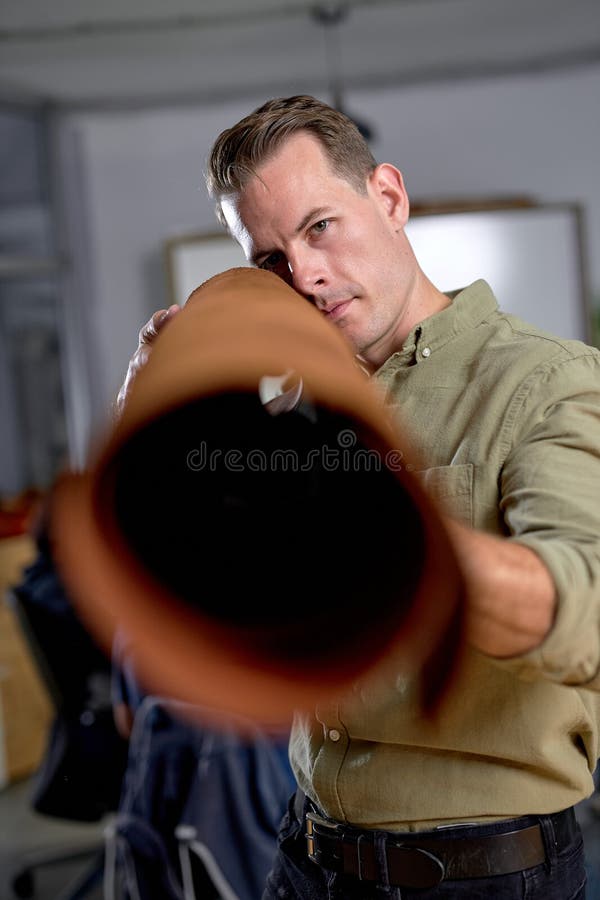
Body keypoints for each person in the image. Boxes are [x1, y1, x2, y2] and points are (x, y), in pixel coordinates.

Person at [120, 95, 600, 898]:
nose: (303, 274)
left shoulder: (549, 382)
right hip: (308, 851)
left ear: (387, 196)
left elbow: (582, 613)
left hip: (479, 876)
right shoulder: (288, 403)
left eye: (319, 227)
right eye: (271, 258)